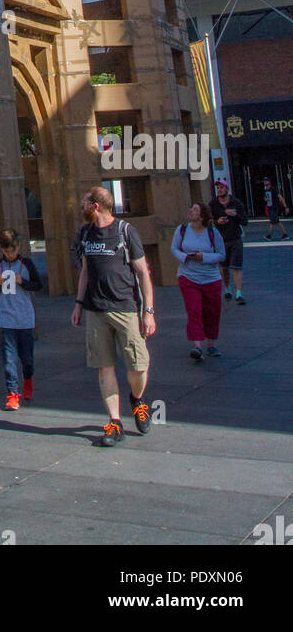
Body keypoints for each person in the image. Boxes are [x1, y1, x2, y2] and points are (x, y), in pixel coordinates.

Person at [71, 186, 155, 447]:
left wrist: (148, 311)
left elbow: (143, 273)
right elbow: (85, 271)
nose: (81, 205)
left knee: (138, 366)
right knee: (103, 366)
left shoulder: (125, 232)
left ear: (96, 206)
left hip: (126, 307)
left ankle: (136, 399)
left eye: (85, 201)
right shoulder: (85, 233)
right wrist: (78, 304)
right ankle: (114, 422)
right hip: (96, 310)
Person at [0, 229, 42, 411]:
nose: (9, 255)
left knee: (27, 358)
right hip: (6, 318)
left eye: (12, 251)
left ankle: (28, 379)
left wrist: (23, 282)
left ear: (18, 247)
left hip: (25, 318)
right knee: (9, 358)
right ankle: (12, 393)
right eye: (6, 252)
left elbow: (38, 284)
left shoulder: (26, 263)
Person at [171, 204, 226, 361]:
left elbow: (221, 254)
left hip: (211, 278)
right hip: (188, 276)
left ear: (202, 216)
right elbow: (174, 249)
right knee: (194, 310)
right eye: (191, 209)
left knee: (212, 312)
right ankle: (197, 346)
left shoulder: (212, 233)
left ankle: (211, 343)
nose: (190, 211)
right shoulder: (181, 230)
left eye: (195, 210)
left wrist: (204, 257)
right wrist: (185, 257)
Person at [208, 179, 248, 303]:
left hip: (235, 238)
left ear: (227, 189)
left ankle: (239, 293)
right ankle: (227, 289)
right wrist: (217, 222)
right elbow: (208, 221)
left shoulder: (236, 203)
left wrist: (234, 215)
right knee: (224, 268)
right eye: (218, 188)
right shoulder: (213, 204)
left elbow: (245, 221)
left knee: (237, 267)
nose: (219, 190)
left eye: (221, 188)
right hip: (221, 240)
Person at [262, 177, 290, 241]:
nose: (264, 182)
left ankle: (269, 236)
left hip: (274, 207)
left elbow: (281, 198)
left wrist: (286, 207)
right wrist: (265, 199)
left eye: (266, 181)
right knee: (276, 221)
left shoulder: (273, 189)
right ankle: (284, 234)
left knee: (273, 221)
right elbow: (265, 198)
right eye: (264, 181)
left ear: (269, 182)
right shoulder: (265, 190)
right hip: (270, 207)